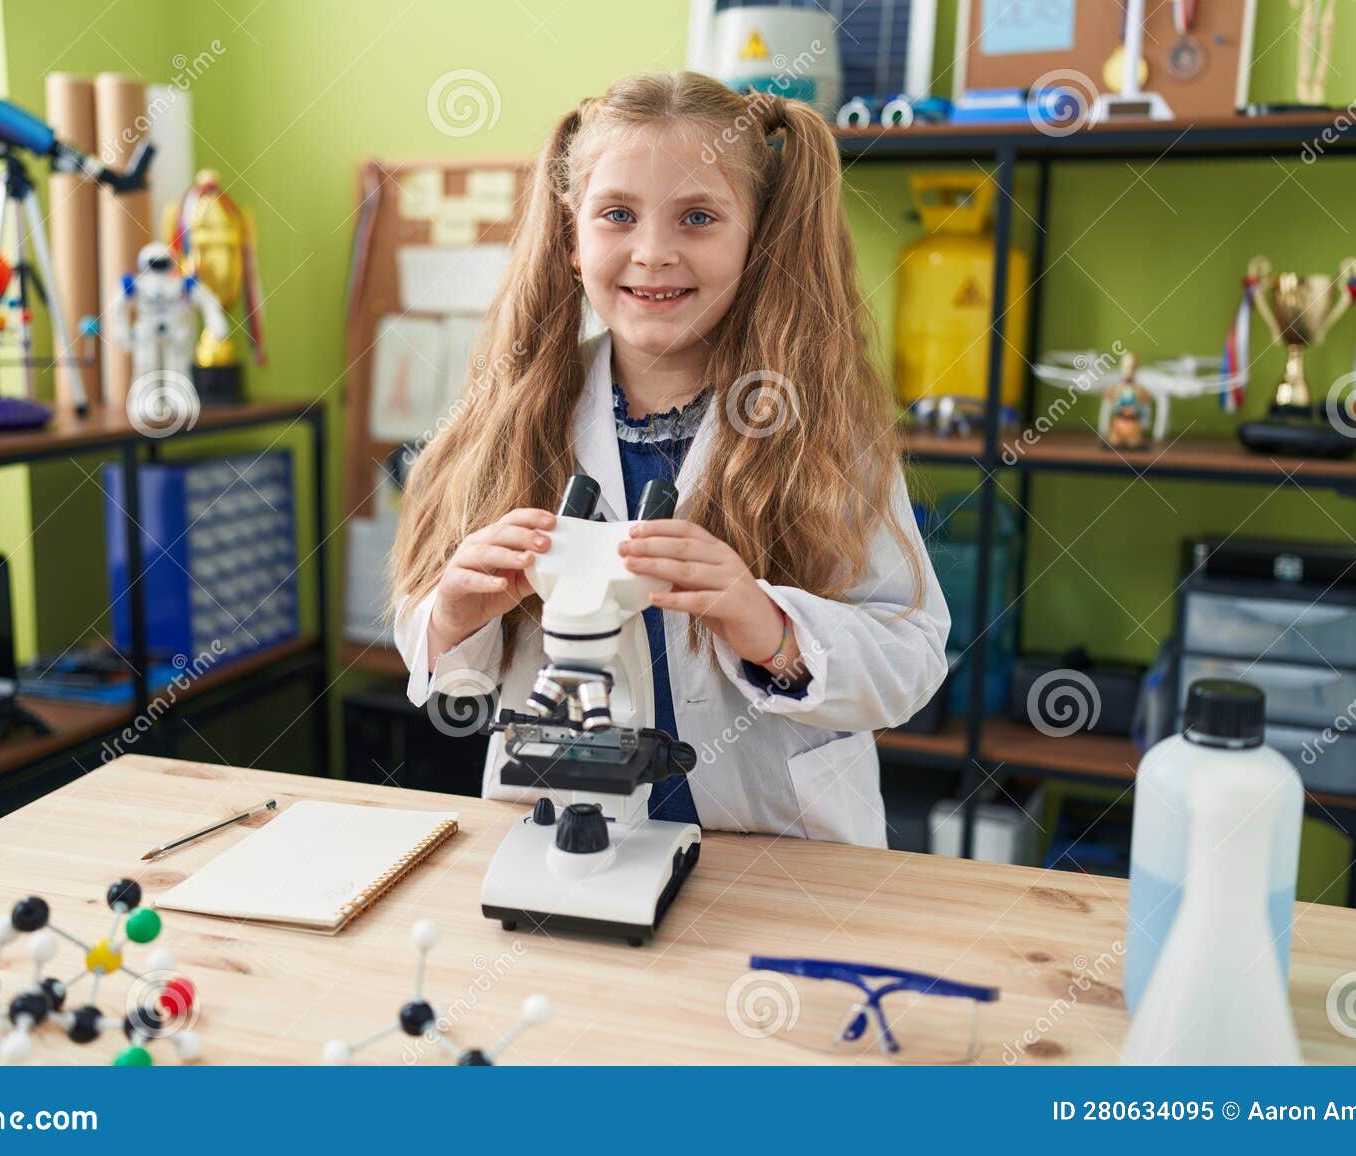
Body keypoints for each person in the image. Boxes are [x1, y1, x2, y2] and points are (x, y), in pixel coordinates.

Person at [390, 71, 949, 847]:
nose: (653, 254)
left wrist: (772, 629)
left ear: (758, 241)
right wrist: (452, 613)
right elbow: (449, 669)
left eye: (698, 218)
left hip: (776, 851)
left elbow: (911, 660)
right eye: (617, 214)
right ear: (571, 240)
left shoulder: (822, 430)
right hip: (562, 831)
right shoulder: (509, 413)